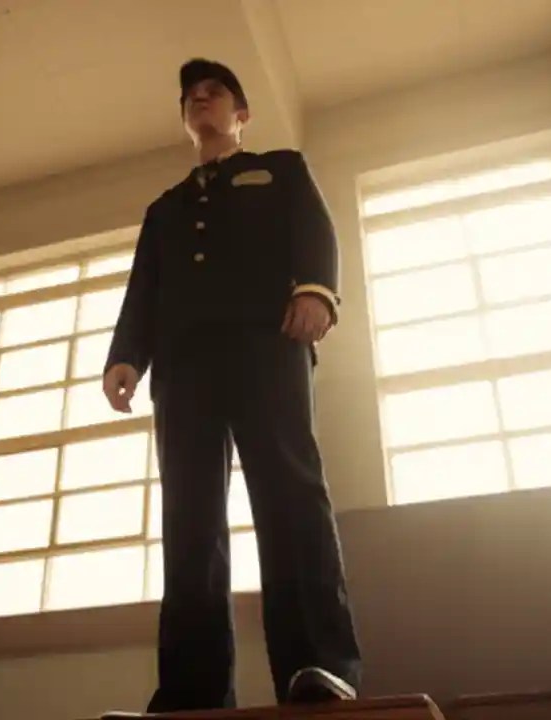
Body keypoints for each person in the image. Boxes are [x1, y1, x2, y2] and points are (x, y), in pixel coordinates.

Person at [101, 58, 362, 714]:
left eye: (214, 92)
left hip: (265, 345)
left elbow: (317, 232)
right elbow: (145, 288)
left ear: (241, 114)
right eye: (190, 96)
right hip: (184, 370)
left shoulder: (281, 169)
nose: (200, 99)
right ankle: (193, 688)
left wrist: (316, 292)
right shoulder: (164, 209)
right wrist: (126, 355)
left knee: (290, 495)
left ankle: (317, 665)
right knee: (189, 519)